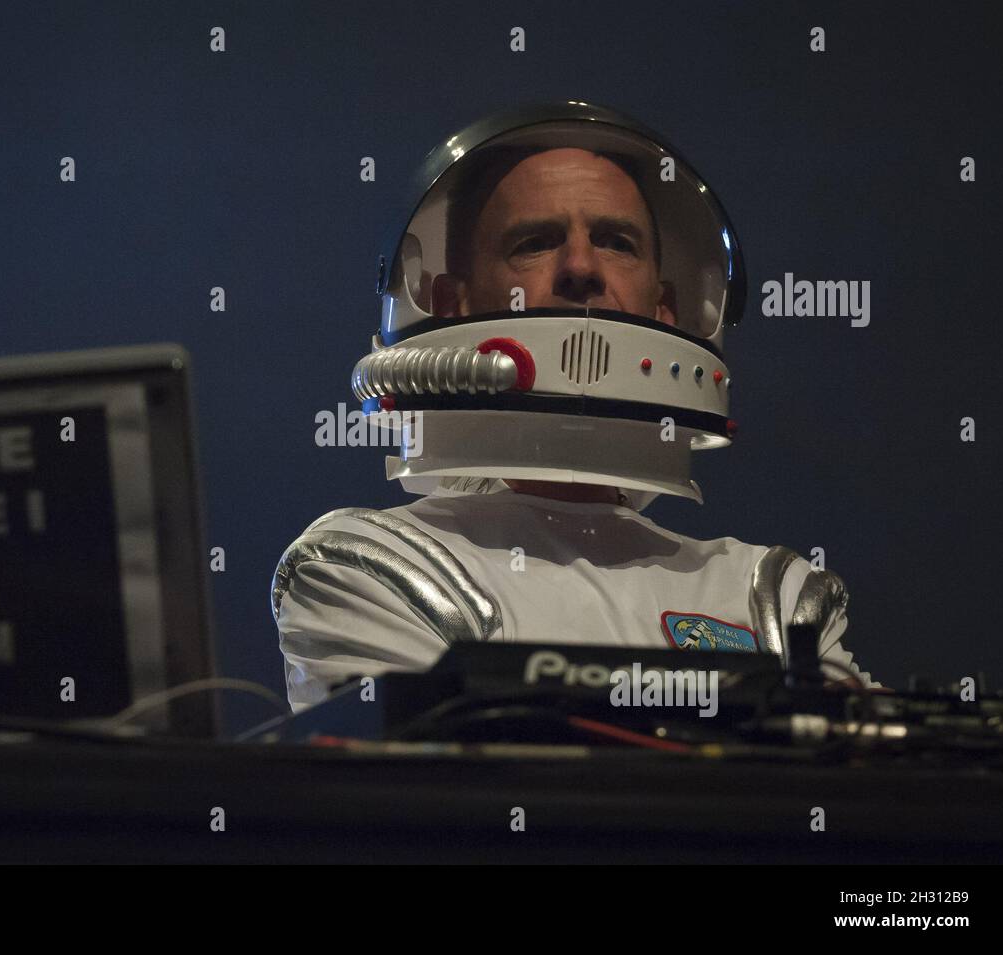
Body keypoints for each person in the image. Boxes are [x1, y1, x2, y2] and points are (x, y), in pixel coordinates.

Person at [271, 102, 877, 712]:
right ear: (452, 303)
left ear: (663, 308)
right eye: (534, 244)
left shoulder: (769, 594)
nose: (582, 268)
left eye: (616, 243)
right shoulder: (371, 569)